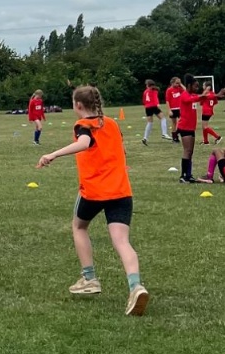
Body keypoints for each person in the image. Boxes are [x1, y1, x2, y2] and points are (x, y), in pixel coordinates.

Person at [36, 85, 148, 317]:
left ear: (78, 105)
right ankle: (136, 286)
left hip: (95, 191)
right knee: (121, 241)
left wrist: (53, 154)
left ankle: (89, 278)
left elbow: (85, 143)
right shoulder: (112, 123)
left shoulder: (83, 125)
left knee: (79, 226)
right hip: (121, 190)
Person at [175, 78, 204, 183]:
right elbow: (189, 100)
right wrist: (202, 95)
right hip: (184, 127)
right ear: (189, 86)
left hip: (191, 128)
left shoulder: (192, 95)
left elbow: (197, 98)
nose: (197, 88)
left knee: (190, 152)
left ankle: (189, 174)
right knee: (187, 151)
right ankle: (183, 176)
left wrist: (216, 95)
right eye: (195, 86)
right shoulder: (185, 95)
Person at [165, 77, 183, 143]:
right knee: (174, 123)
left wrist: (181, 84)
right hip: (173, 109)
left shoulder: (179, 89)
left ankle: (178, 132)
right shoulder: (169, 90)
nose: (178, 84)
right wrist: (169, 110)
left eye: (179, 83)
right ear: (172, 83)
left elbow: (186, 91)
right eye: (177, 83)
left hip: (180, 108)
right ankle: (174, 137)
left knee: (182, 121)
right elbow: (167, 101)